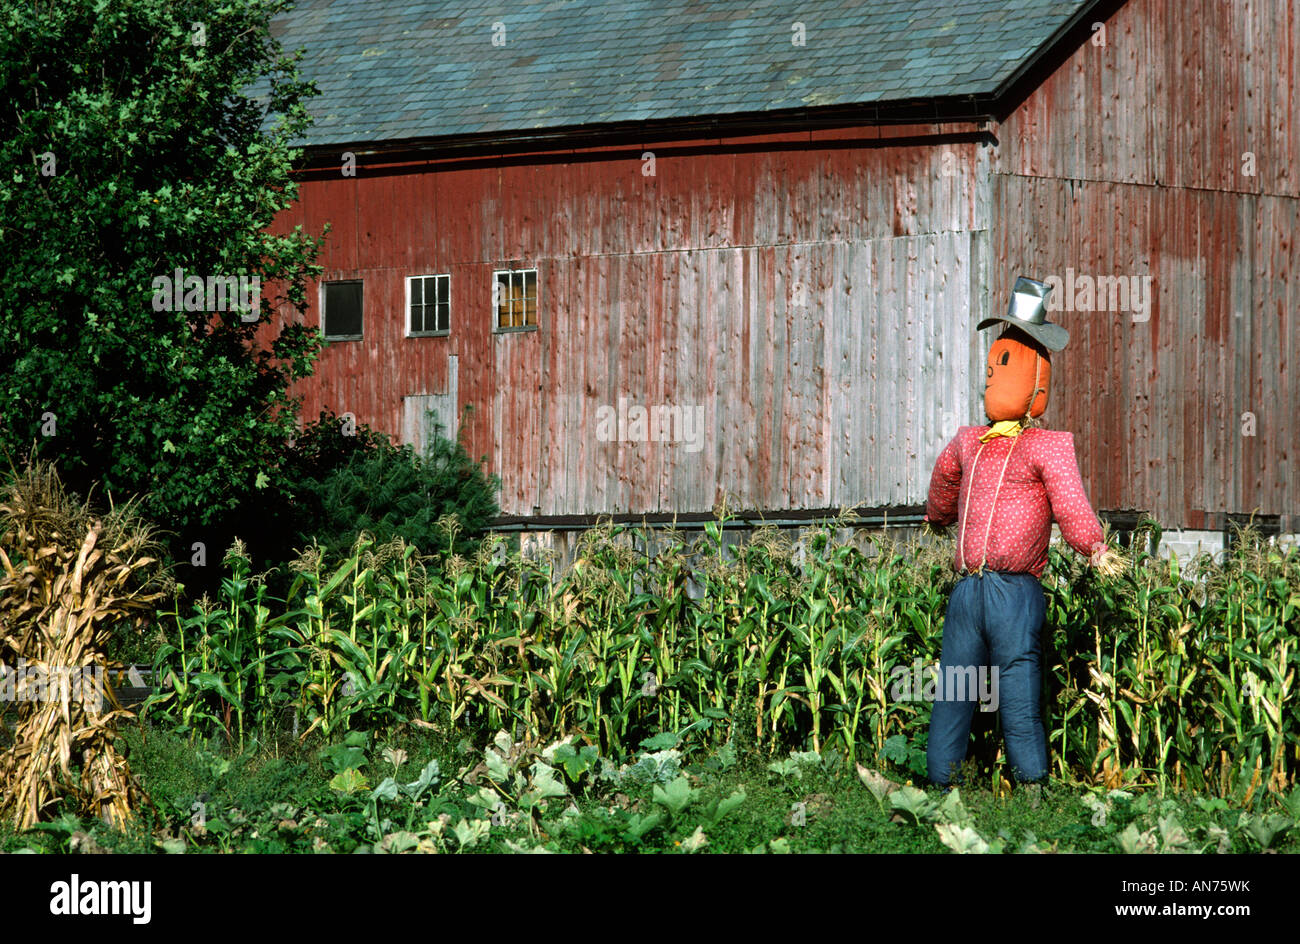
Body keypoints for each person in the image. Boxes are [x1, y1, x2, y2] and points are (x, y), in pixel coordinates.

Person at [923, 276, 1117, 787]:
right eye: (991, 370)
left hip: (1015, 591)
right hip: (968, 590)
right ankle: (942, 786)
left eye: (1001, 369)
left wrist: (1093, 546)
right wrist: (937, 519)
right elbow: (943, 484)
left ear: (1037, 384)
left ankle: (1030, 787)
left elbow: (1070, 504)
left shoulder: (1046, 447)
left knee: (1017, 692)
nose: (992, 379)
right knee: (956, 690)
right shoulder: (970, 441)